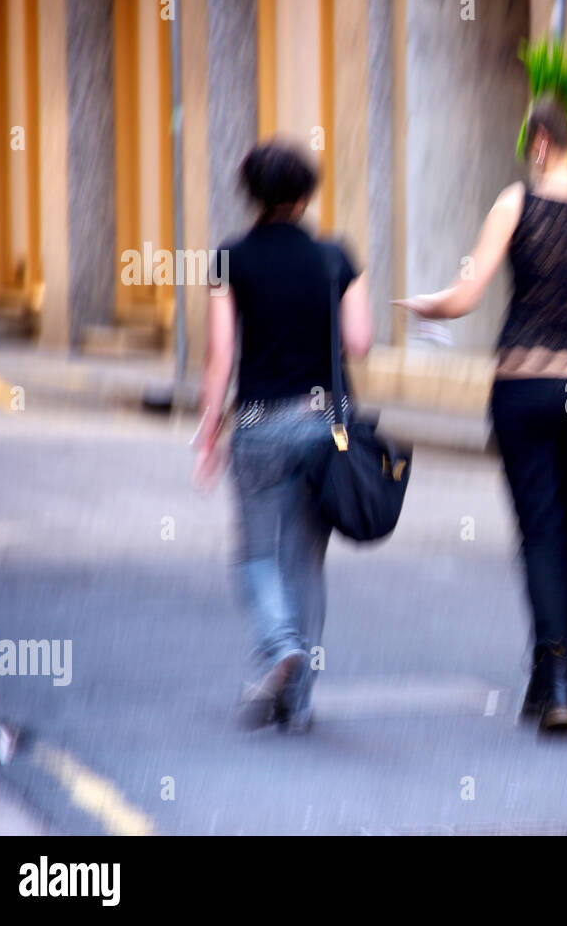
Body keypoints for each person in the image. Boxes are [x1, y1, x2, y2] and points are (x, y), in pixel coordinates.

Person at [396, 41, 567, 733]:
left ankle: (558, 675)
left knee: (538, 531)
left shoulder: (515, 204)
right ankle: (548, 674)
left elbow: (467, 294)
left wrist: (420, 306)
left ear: (539, 142)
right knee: (563, 535)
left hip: (525, 391)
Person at [193, 142, 372, 733]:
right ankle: (299, 702)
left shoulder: (229, 258)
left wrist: (209, 432)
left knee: (254, 555)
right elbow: (362, 340)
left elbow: (221, 357)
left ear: (252, 194)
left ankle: (279, 647)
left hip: (257, 424)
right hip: (325, 425)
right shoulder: (334, 256)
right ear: (304, 195)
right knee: (306, 564)